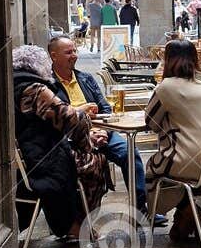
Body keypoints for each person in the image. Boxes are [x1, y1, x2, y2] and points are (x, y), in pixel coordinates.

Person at [48, 33, 156, 219]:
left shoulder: (86, 78)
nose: (74, 55)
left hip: (100, 131)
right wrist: (83, 123)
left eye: (75, 50)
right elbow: (56, 117)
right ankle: (76, 216)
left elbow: (105, 107)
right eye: (68, 52)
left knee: (130, 153)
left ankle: (141, 210)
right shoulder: (48, 85)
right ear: (53, 56)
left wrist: (103, 131)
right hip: (73, 138)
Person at [13, 45, 109, 242]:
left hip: (32, 153)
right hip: (42, 159)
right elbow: (68, 119)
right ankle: (76, 223)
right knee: (96, 162)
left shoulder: (14, 85)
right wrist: (86, 135)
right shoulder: (34, 89)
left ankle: (74, 222)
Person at [145, 40, 201, 243]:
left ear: (167, 61)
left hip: (198, 166)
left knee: (153, 170)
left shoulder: (166, 88)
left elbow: (150, 122)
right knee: (188, 159)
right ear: (195, 59)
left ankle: (190, 212)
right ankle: (186, 217)